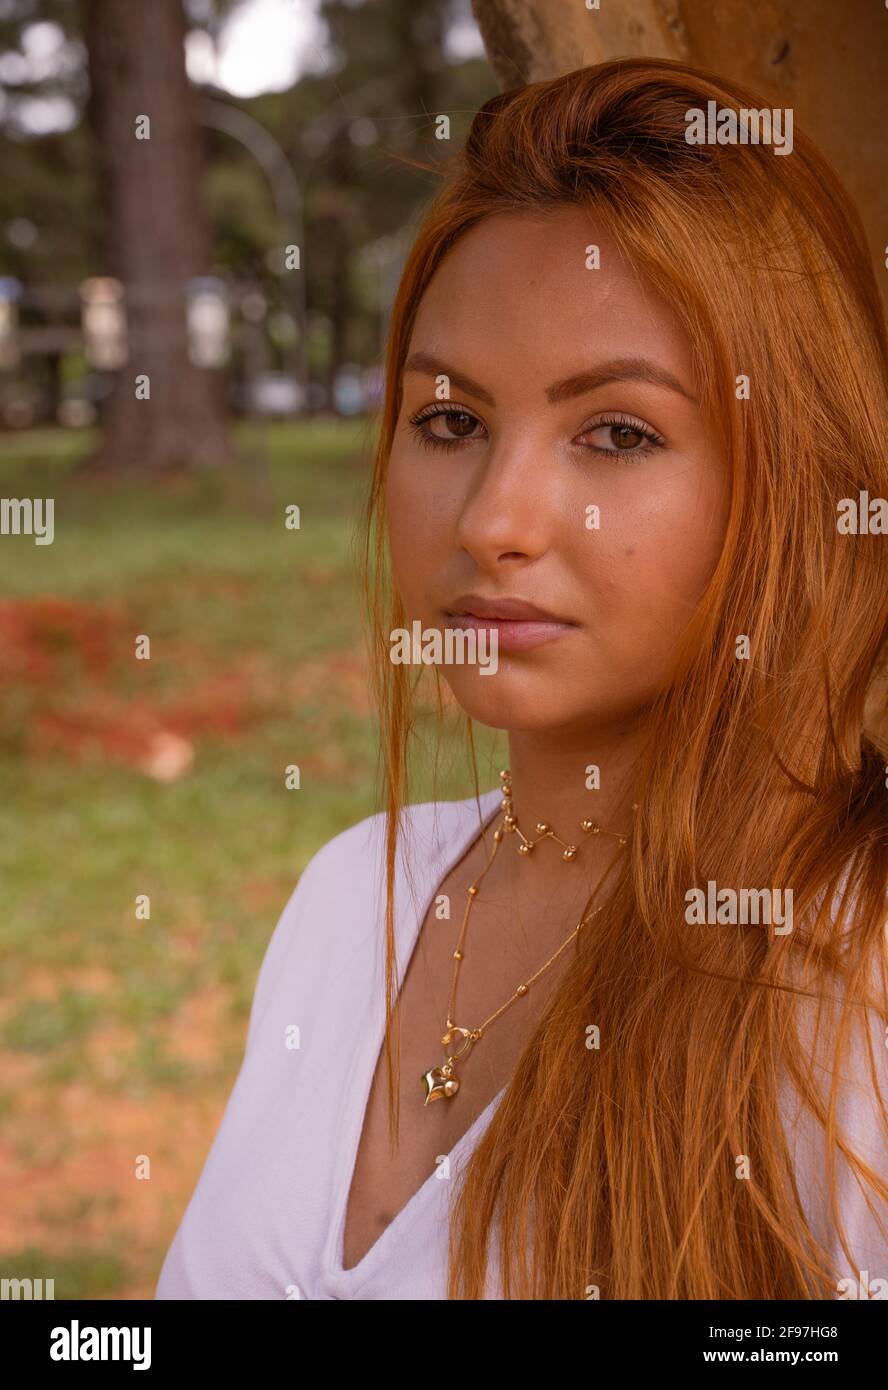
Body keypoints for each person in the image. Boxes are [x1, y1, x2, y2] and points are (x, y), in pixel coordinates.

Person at [156, 57, 888, 1301]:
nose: (495, 518)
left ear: (800, 481)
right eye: (450, 421)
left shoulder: (846, 979)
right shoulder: (355, 899)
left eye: (617, 432)